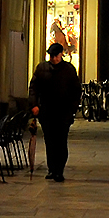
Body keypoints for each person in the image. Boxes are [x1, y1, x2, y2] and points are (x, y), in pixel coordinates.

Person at [30, 42, 81, 181]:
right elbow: (34, 87)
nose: (53, 59)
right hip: (46, 111)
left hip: (63, 112)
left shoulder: (68, 70)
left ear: (61, 55)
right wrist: (34, 105)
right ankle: (52, 169)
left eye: (56, 56)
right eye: (51, 56)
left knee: (61, 141)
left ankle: (59, 170)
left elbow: (76, 91)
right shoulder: (42, 69)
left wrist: (72, 109)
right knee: (50, 141)